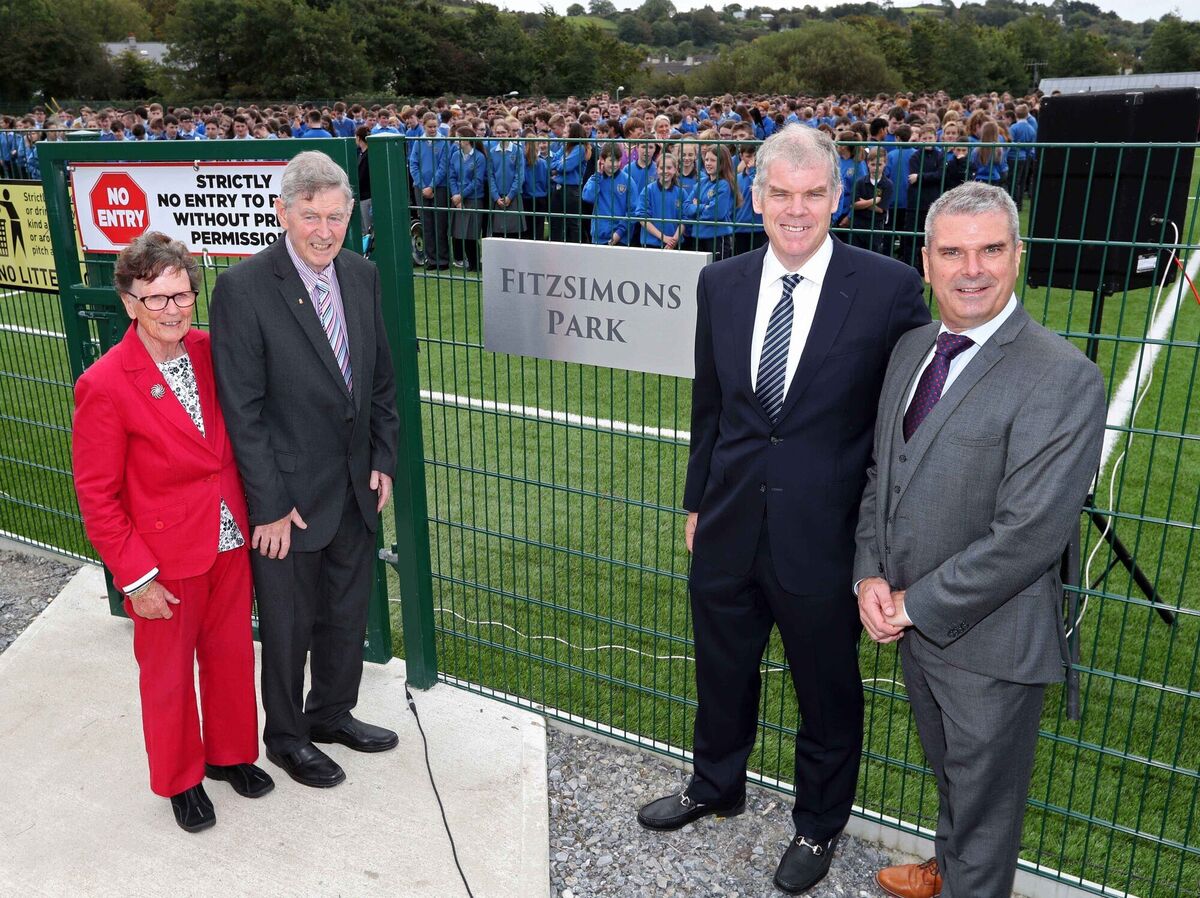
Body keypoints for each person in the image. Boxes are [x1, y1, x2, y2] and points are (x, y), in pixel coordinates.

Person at [637, 124, 930, 895]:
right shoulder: (722, 283)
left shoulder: (889, 288)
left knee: (827, 690)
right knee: (722, 669)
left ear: (836, 197)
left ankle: (818, 823)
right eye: (780, 194)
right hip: (728, 520)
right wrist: (697, 501)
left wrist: (879, 543)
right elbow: (712, 407)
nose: (795, 211)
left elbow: (900, 430)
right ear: (756, 196)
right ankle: (715, 784)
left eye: (812, 195)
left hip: (825, 537)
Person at [855, 183, 1105, 898]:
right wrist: (868, 575)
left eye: (991, 249)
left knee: (988, 813)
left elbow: (1029, 534)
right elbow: (882, 473)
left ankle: (969, 879)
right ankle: (949, 865)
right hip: (910, 623)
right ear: (926, 262)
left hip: (992, 645)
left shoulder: (1062, 377)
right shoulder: (909, 351)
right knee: (953, 776)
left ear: (1018, 257)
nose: (973, 269)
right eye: (954, 252)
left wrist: (909, 604)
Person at [210, 152, 400, 790]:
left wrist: (383, 459)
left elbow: (378, 380)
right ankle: (287, 736)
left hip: (354, 486)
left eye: (336, 217)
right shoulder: (243, 288)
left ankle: (331, 713)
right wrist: (266, 506)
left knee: (347, 610)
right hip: (285, 500)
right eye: (311, 215)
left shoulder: (363, 274)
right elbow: (244, 410)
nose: (324, 230)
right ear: (283, 212)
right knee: (289, 624)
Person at [72, 233, 271, 833]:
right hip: (163, 557)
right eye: (155, 298)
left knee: (232, 655)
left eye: (181, 295)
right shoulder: (104, 384)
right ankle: (181, 778)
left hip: (228, 539)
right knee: (166, 675)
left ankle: (230, 753)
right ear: (129, 303)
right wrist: (137, 579)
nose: (171, 310)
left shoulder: (213, 352)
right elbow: (98, 497)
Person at [409, 111, 451, 269]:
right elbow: (413, 163)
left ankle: (443, 259)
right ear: (423, 125)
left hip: (439, 187)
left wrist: (432, 185)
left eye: (435, 126)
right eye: (429, 127)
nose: (433, 129)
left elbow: (443, 166)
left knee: (440, 224)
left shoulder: (444, 142)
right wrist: (422, 184)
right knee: (426, 224)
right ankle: (431, 258)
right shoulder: (418, 142)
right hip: (421, 188)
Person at [448, 124, 487, 271]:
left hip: (474, 198)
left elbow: (477, 181)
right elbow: (451, 176)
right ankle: (470, 262)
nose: (456, 140)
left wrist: (461, 195)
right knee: (460, 233)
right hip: (458, 198)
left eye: (459, 137)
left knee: (471, 234)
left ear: (466, 140)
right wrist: (455, 195)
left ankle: (475, 263)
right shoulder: (455, 155)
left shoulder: (479, 157)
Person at [582, 142, 634, 246]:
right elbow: (587, 197)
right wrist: (597, 176)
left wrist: (619, 233)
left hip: (620, 238)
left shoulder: (627, 180)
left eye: (618, 160)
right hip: (599, 236)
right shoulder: (595, 178)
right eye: (611, 160)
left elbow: (632, 210)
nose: (615, 164)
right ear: (602, 160)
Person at [486, 117, 525, 238]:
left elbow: (520, 175)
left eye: (503, 132)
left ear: (509, 133)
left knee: (513, 233)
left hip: (512, 197)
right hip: (497, 197)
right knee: (497, 233)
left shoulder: (517, 150)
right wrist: (496, 196)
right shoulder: (492, 151)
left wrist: (510, 195)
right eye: (498, 132)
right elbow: (490, 175)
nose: (500, 135)